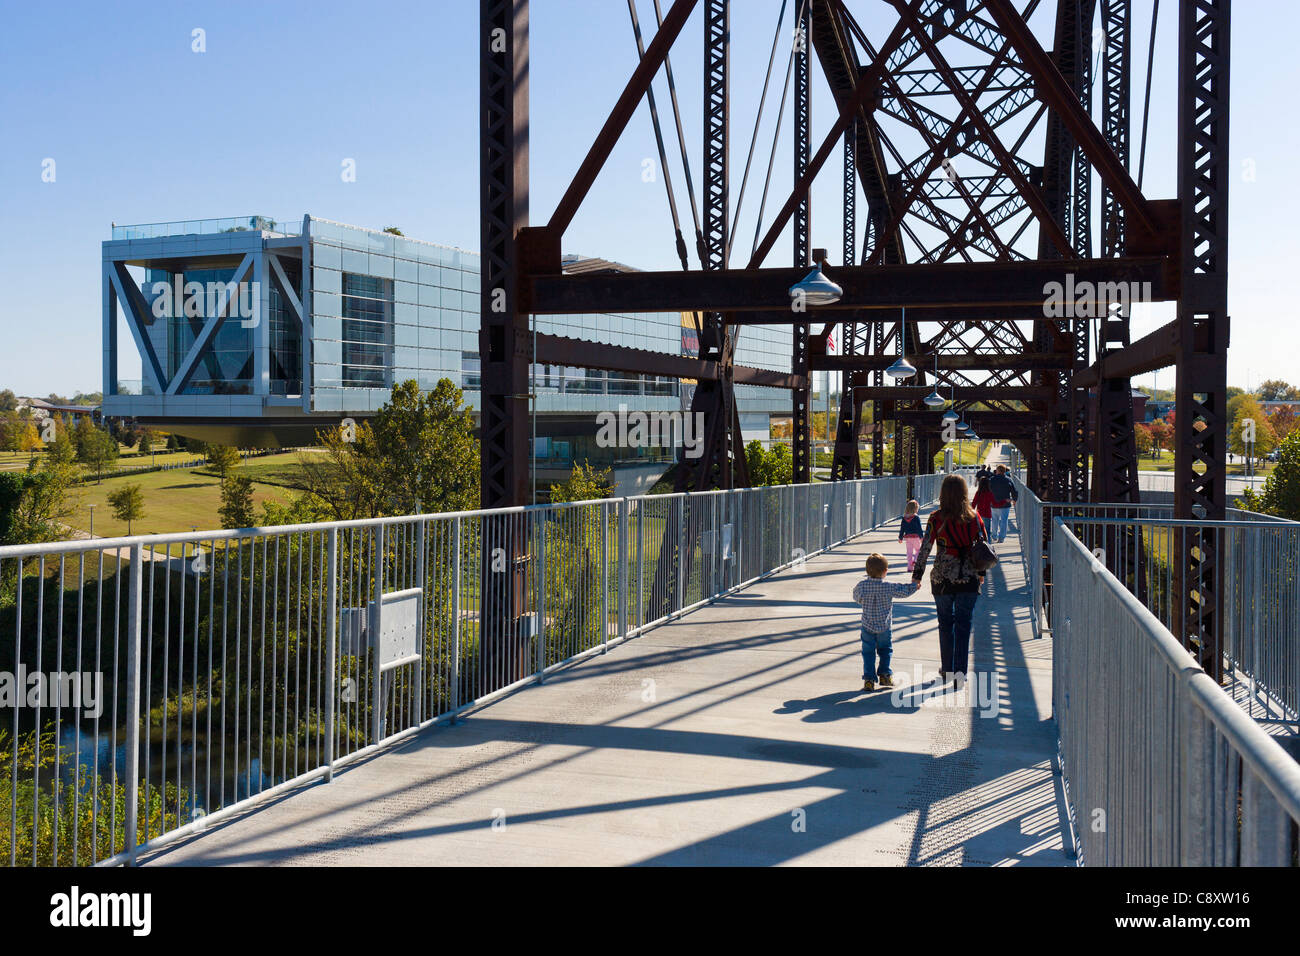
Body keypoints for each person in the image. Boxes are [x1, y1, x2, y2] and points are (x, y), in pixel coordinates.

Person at [911, 474, 988, 686]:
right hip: (969, 577)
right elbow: (984, 549)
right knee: (963, 625)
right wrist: (982, 575)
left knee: (945, 625)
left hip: (942, 578)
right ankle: (960, 674)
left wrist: (917, 576)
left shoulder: (936, 518)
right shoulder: (975, 518)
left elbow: (925, 548)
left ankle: (947, 669)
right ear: (964, 493)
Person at [851, 553, 921, 692]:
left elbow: (856, 596)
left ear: (867, 571)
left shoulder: (862, 586)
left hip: (867, 625)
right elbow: (904, 591)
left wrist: (863, 601)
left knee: (868, 652)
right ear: (885, 571)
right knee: (885, 650)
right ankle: (884, 675)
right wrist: (914, 586)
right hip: (884, 626)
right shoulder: (889, 586)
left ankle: (869, 680)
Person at [987, 464, 1018, 543]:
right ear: (1004, 471)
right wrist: (1014, 500)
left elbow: (987, 490)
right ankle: (1001, 538)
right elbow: (1014, 491)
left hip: (993, 503)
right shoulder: (1008, 480)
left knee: (994, 520)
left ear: (998, 471)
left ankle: (994, 536)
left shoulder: (991, 479)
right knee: (1004, 521)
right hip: (1005, 504)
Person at [898, 499, 924, 572]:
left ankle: (909, 567)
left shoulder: (904, 518)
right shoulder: (916, 517)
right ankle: (915, 560)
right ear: (915, 509)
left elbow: (902, 528)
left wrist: (900, 537)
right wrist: (921, 537)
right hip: (916, 537)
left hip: (908, 538)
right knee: (918, 550)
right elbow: (919, 528)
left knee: (909, 552)